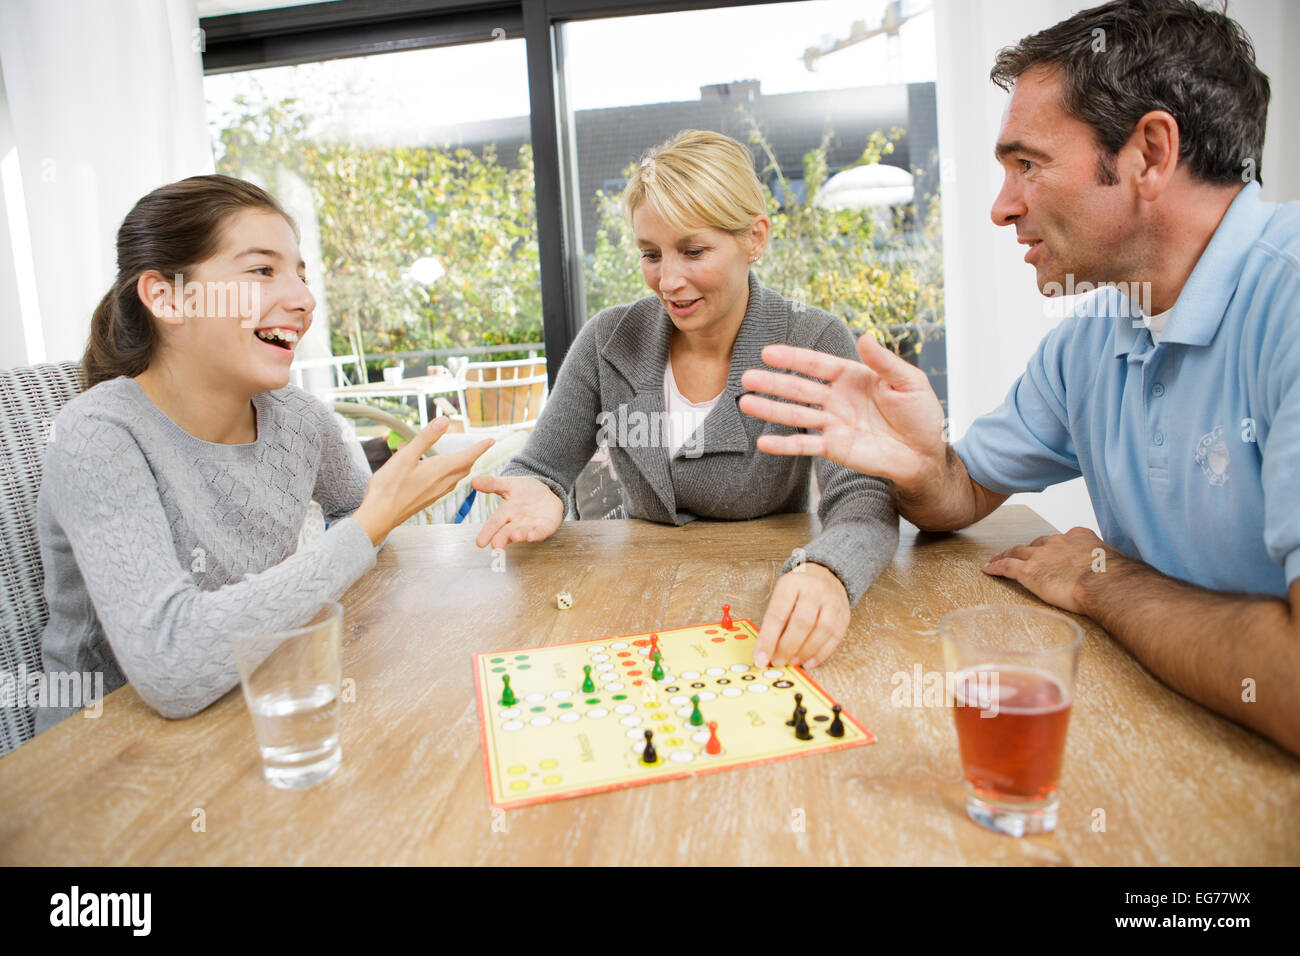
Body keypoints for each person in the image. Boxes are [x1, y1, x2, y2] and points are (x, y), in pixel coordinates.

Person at [739, 0, 1300, 756]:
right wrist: (921, 461)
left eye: (1027, 165)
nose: (1003, 208)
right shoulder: (1094, 341)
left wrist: (1101, 580)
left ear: (1150, 155)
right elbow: (962, 491)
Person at [35, 175, 491, 731]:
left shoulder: (297, 418)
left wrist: (371, 522)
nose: (303, 300)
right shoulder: (97, 435)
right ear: (166, 296)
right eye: (261, 271)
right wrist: (370, 523)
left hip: (259, 700)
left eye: (301, 274)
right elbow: (172, 664)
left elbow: (356, 512)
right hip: (107, 754)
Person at [471, 130, 898, 669]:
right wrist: (539, 491)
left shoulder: (811, 341)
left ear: (755, 238)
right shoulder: (608, 339)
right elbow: (541, 467)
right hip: (638, 604)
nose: (668, 280)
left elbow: (864, 494)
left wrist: (831, 570)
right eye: (650, 254)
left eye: (693, 251)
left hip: (764, 608)